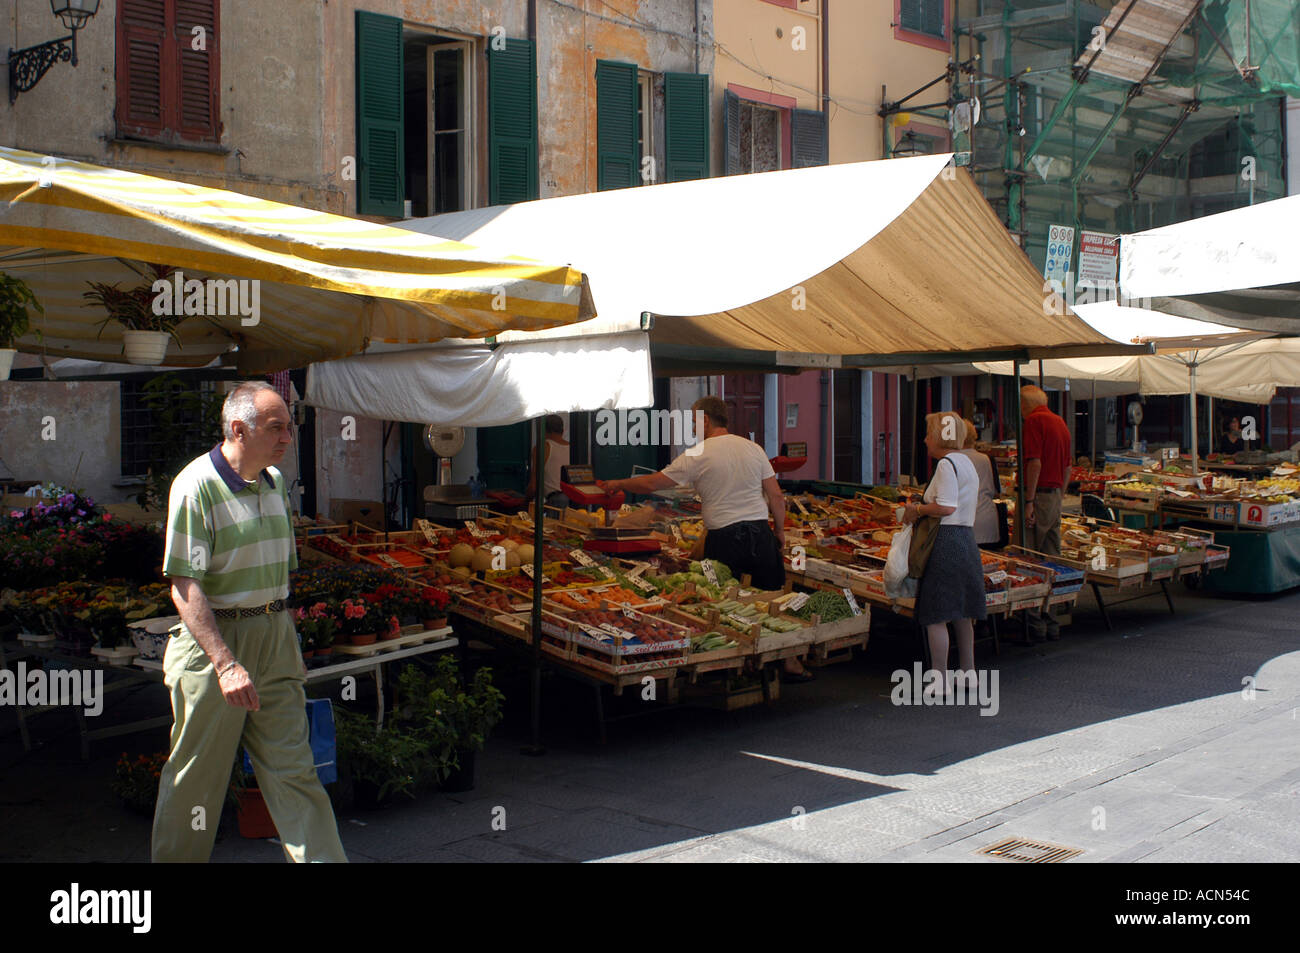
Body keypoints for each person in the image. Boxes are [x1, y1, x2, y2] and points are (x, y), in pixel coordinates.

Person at [152, 381, 347, 863]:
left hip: (273, 635)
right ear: (239, 429)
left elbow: (280, 575)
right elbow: (185, 585)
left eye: (290, 426)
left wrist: (287, 641)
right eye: (276, 427)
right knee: (197, 778)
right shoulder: (195, 486)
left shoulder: (275, 482)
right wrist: (225, 663)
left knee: (295, 771)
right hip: (215, 642)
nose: (287, 437)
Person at [597, 397, 811, 681]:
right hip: (761, 534)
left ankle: (731, 666)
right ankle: (790, 662)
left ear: (706, 420)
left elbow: (652, 483)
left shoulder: (697, 454)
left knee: (721, 602)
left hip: (724, 540)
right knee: (772, 599)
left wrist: (617, 484)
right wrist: (780, 531)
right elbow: (776, 495)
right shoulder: (753, 448)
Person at [902, 412, 986, 691]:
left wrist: (917, 509)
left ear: (939, 436)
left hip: (945, 541)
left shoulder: (946, 465)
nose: (925, 440)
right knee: (962, 612)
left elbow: (946, 506)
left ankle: (940, 679)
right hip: (966, 538)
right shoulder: (968, 463)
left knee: (936, 614)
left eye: (928, 433)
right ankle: (969, 672)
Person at [1020, 384, 1072, 641]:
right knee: (1052, 560)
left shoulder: (1033, 421)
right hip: (1055, 497)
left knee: (1029, 560)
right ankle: (1052, 620)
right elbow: (1067, 467)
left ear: (1023, 405)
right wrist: (1060, 494)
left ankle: (1034, 624)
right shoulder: (1060, 422)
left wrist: (1029, 501)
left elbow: (1034, 462)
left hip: (1038, 495)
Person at [958, 417, 1001, 547]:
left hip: (962, 525)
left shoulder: (950, 460)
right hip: (988, 523)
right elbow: (997, 492)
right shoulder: (987, 459)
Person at [526, 414, 570, 510]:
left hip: (556, 501)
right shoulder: (573, 448)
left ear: (543, 430)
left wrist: (524, 502)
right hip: (574, 500)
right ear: (562, 431)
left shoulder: (543, 447)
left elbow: (534, 486)